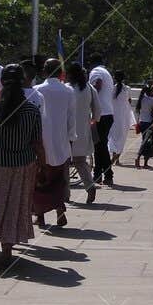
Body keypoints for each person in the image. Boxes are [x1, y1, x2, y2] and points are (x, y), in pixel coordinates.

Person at [0, 63, 42, 262]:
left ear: (2, 82)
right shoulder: (31, 110)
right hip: (24, 165)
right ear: (23, 82)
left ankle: (2, 245)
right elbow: (37, 141)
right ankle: (8, 245)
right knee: (17, 204)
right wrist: (43, 165)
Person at [33, 58, 79, 227]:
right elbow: (71, 118)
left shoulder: (37, 90)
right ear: (61, 72)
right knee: (59, 180)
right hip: (61, 142)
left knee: (40, 180)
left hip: (42, 144)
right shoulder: (68, 91)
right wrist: (71, 138)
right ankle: (60, 212)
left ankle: (40, 216)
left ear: (44, 71)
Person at [63, 63, 98, 205]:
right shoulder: (89, 88)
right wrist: (92, 120)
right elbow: (98, 110)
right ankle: (90, 186)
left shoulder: (66, 88)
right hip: (83, 130)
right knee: (80, 162)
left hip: (66, 131)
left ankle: (65, 194)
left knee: (64, 163)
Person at [88, 53, 116, 186]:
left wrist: (91, 100)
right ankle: (98, 174)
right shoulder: (106, 72)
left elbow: (96, 85)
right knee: (99, 145)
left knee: (100, 145)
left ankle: (108, 174)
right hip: (107, 113)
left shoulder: (96, 71)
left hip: (100, 113)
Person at [107, 71, 133, 174]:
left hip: (114, 116)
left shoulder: (111, 89)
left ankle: (114, 157)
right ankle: (116, 158)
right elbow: (129, 101)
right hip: (124, 116)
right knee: (122, 137)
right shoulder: (127, 89)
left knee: (113, 136)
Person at [133, 82, 153, 168]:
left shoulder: (142, 99)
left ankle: (144, 162)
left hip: (142, 122)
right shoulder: (152, 101)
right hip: (149, 123)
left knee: (145, 141)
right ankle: (139, 158)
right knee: (146, 142)